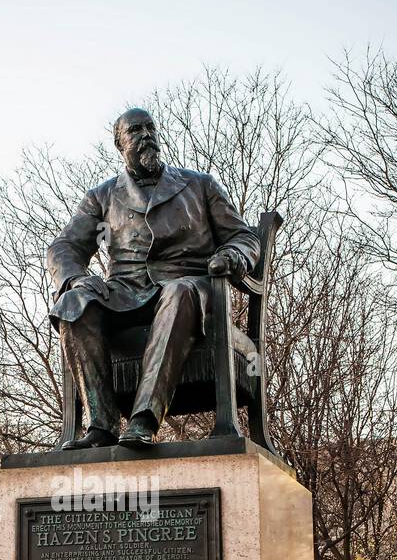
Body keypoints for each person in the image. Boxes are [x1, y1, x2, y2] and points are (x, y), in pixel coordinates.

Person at [47, 107, 260, 448]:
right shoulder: (102, 196)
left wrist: (232, 255)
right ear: (120, 145)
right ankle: (101, 424)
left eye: (150, 128)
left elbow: (245, 237)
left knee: (177, 292)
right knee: (73, 303)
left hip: (189, 289)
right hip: (124, 294)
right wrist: (74, 280)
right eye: (135, 131)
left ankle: (144, 419)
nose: (146, 135)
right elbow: (66, 246)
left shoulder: (199, 185)